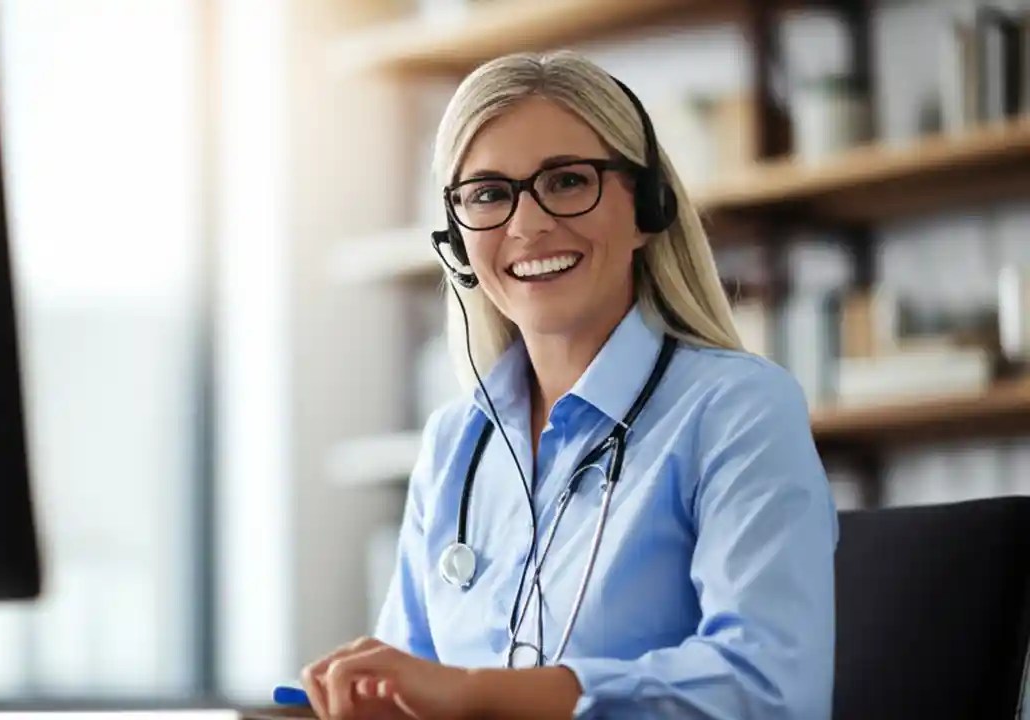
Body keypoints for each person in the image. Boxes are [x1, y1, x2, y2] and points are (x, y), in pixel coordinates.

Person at [301, 49, 838, 720]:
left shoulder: (738, 410)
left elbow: (769, 691)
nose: (527, 226)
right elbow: (409, 680)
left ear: (647, 207)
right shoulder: (454, 446)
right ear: (458, 241)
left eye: (566, 182)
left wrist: (476, 697)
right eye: (489, 195)